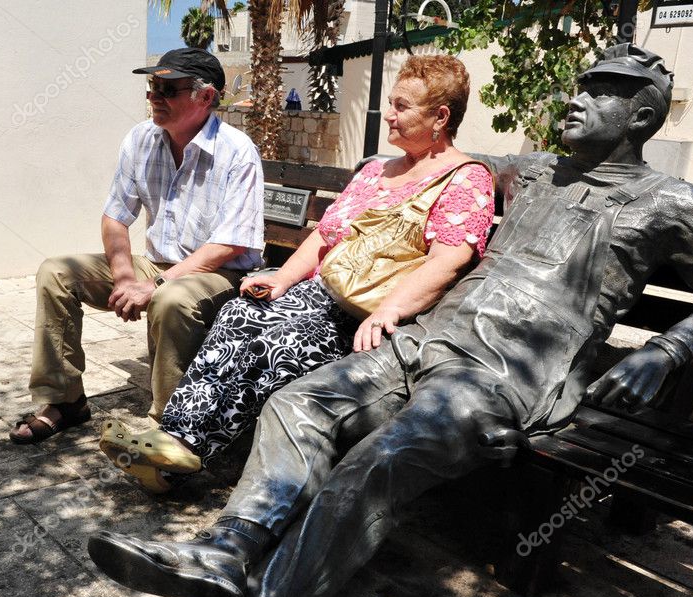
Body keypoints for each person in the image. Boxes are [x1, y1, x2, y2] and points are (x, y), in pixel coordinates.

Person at [83, 44, 693, 597]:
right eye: (580, 84)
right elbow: (438, 158)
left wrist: (664, 351)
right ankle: (227, 549)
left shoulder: (670, 202)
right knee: (298, 403)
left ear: (640, 116)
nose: (575, 98)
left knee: (377, 460)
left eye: (601, 91)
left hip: (507, 378)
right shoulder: (534, 171)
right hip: (425, 342)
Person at [98, 55, 495, 493]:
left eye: (402, 107)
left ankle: (182, 450)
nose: (390, 116)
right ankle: (174, 441)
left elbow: (448, 261)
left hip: (366, 312)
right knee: (239, 314)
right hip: (321, 291)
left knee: (279, 341)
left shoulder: (466, 178)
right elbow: (325, 235)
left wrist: (390, 312)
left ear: (441, 116)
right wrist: (284, 277)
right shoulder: (381, 170)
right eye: (391, 104)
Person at [9, 48, 265, 445]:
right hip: (159, 264)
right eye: (152, 87)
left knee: (172, 298)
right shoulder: (141, 139)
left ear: (206, 97)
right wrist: (126, 275)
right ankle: (64, 401)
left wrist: (157, 285)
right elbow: (115, 216)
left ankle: (174, 427)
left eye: (167, 89)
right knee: (56, 272)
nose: (154, 97)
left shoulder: (237, 151)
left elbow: (228, 244)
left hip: (221, 273)